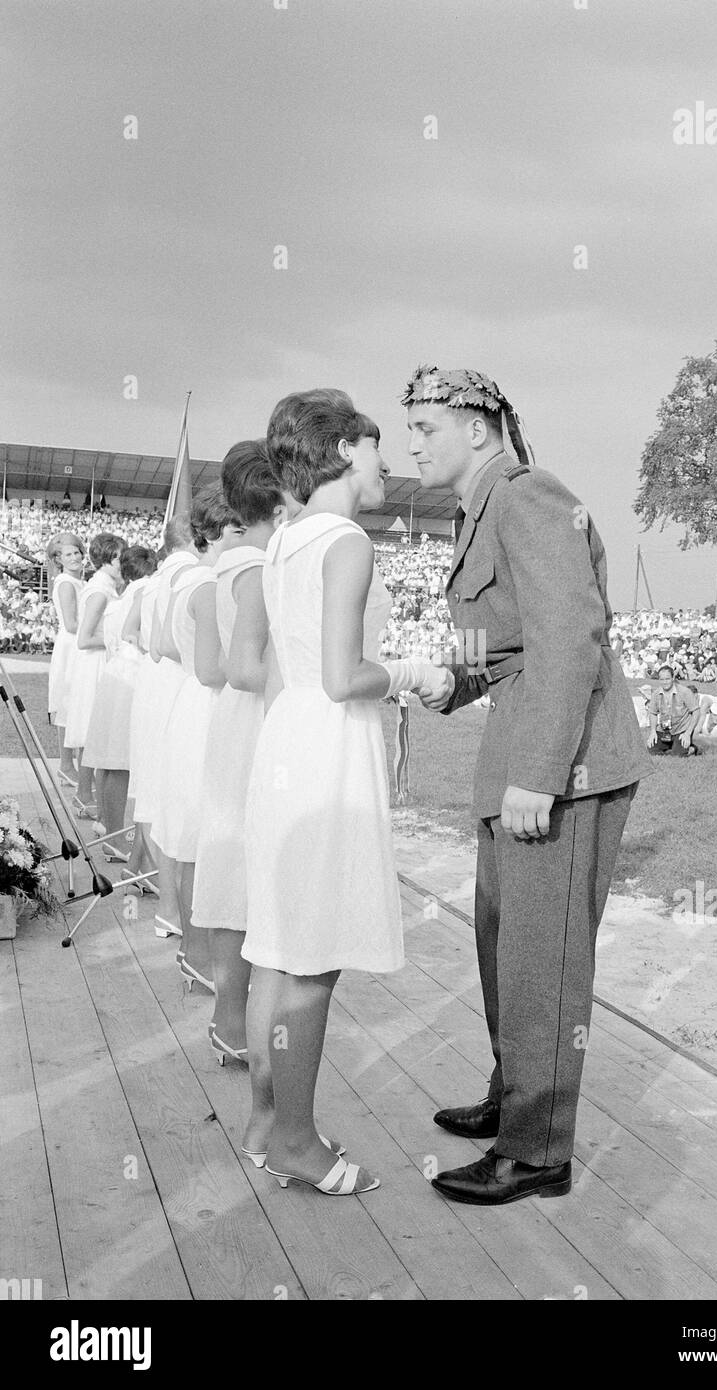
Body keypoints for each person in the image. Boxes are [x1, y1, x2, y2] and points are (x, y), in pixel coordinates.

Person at [405, 363, 652, 1206]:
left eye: (426, 428)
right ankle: (517, 1097)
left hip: (564, 763)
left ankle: (536, 1149)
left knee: (540, 956)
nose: (413, 444)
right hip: (521, 747)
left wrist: (539, 776)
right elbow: (511, 645)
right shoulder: (481, 510)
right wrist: (456, 679)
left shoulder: (526, 494)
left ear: (477, 428)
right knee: (504, 943)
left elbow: (568, 637)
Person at [241, 392, 448, 1197]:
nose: (386, 461)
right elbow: (341, 677)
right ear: (338, 450)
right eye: (373, 446)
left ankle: (268, 1119)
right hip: (324, 749)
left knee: (278, 952)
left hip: (285, 746)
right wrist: (414, 673)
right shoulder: (347, 541)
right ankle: (294, 1137)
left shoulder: (286, 540)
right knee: (313, 962)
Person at [191, 441, 300, 1062]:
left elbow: (215, 668)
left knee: (234, 859)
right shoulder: (264, 563)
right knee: (259, 863)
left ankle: (230, 1016)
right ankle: (252, 1017)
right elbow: (243, 668)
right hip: (263, 718)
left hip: (233, 725)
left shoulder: (222, 569)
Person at [150, 484, 245, 991]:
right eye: (236, 530)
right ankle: (199, 951)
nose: (243, 538)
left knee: (192, 835)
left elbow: (163, 644)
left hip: (187, 706)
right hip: (211, 708)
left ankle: (195, 949)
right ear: (211, 534)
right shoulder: (211, 585)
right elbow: (214, 671)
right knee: (203, 839)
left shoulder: (189, 583)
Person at [128, 518, 199, 937]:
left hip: (154, 684)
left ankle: (166, 902)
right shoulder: (189, 576)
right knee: (174, 796)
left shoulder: (154, 580)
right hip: (175, 680)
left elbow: (140, 635)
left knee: (157, 793)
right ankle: (172, 906)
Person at [82, 545, 157, 860]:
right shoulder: (147, 591)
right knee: (122, 763)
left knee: (110, 761)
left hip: (115, 676)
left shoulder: (121, 599)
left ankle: (108, 826)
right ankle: (115, 837)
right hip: (132, 677)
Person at [63, 532, 125, 820]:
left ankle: (87, 793)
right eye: (118, 558)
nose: (123, 563)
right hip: (95, 663)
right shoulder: (100, 590)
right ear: (107, 560)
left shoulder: (107, 586)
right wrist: (118, 638)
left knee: (95, 729)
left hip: (101, 661)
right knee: (92, 729)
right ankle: (84, 793)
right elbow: (84, 638)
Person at [45, 532, 86, 786]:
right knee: (68, 703)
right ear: (59, 559)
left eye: (77, 552)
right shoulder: (65, 583)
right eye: (68, 555)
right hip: (72, 647)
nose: (74, 558)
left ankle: (78, 766)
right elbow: (71, 624)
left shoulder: (78, 581)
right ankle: (65, 765)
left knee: (78, 703)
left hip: (78, 645)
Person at [647, 665, 700, 756]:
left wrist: (688, 733)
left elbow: (696, 711)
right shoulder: (656, 694)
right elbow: (652, 713)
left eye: (667, 679)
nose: (665, 682)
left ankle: (692, 748)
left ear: (673, 678)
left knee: (678, 754)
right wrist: (653, 732)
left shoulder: (685, 692)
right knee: (651, 749)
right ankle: (672, 746)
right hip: (664, 730)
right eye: (662, 679)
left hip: (681, 730)